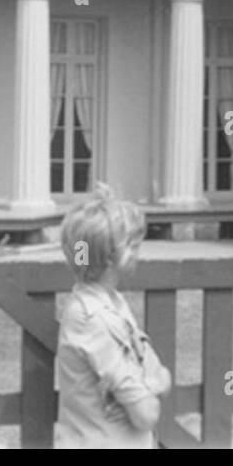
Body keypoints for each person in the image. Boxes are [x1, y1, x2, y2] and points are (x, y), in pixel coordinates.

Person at [55, 184, 172, 448]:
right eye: (131, 244)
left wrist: (146, 387)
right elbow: (146, 414)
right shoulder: (91, 318)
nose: (137, 251)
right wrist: (150, 387)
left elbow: (163, 375)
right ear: (110, 258)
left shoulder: (113, 303)